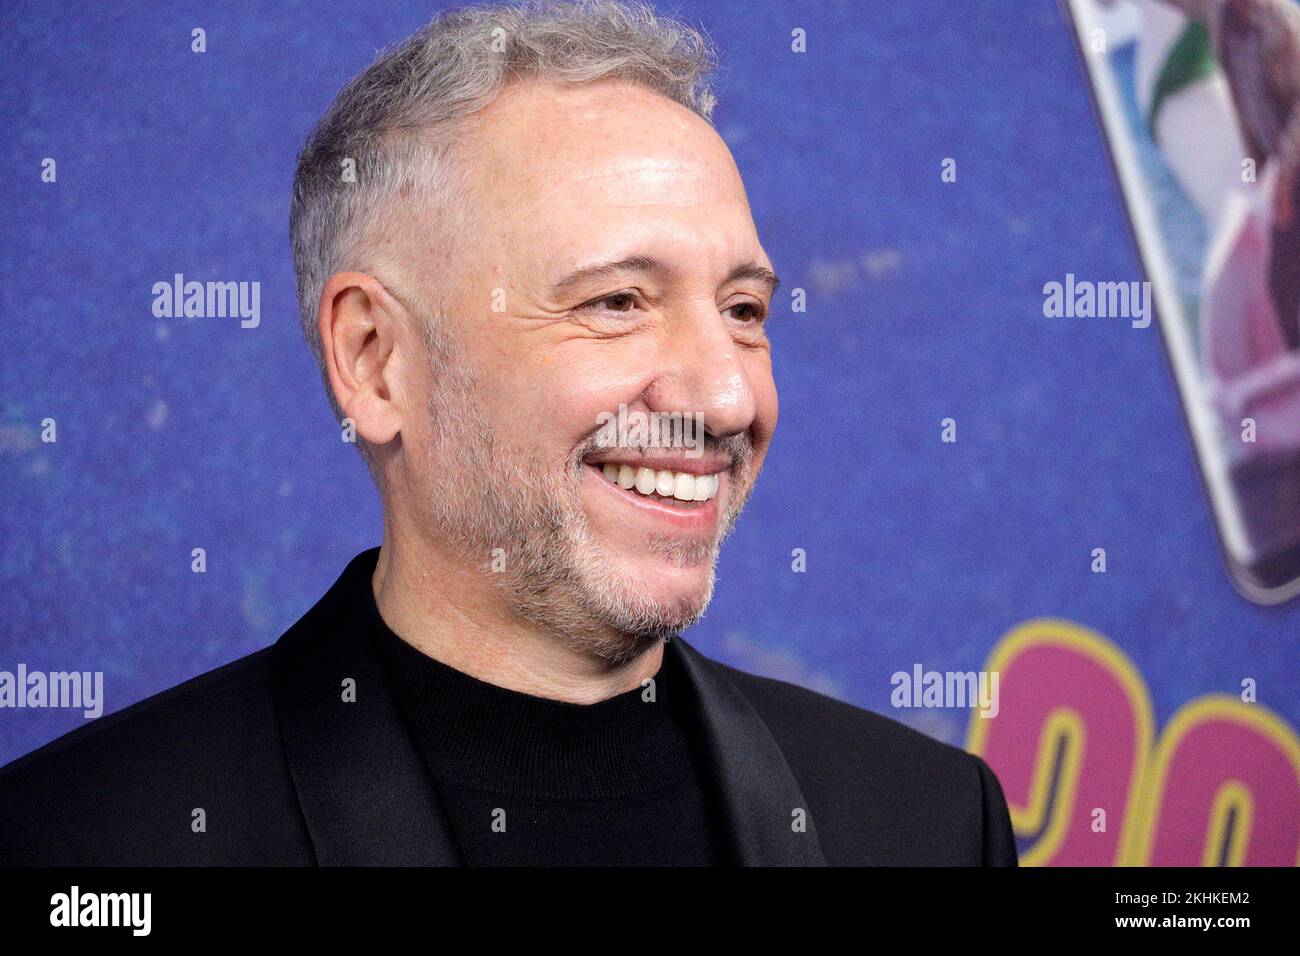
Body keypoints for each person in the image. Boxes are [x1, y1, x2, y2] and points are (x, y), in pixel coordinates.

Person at [0, 0, 1017, 867]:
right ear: (374, 360)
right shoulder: (83, 841)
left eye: (744, 310)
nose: (723, 397)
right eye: (618, 300)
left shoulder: (926, 823)